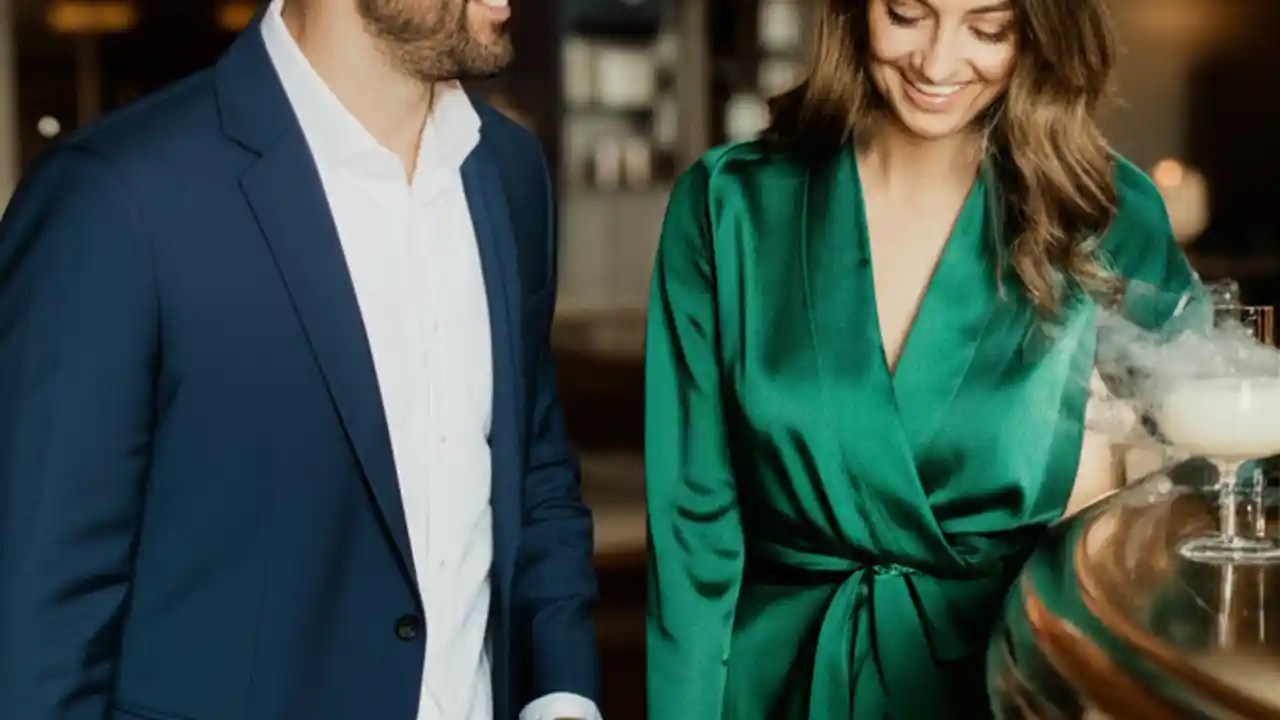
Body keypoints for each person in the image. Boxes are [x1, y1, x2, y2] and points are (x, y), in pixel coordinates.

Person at [0, 1, 601, 719]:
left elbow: (533, 470)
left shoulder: (508, 172)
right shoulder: (112, 200)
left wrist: (561, 696)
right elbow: (38, 629)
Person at [644, 0, 1201, 717]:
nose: (937, 63)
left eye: (988, 29)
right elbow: (692, 529)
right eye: (907, 14)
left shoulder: (1104, 212)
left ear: (1038, 32)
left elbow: (1220, 464)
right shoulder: (730, 205)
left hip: (1008, 685)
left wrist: (1113, 488)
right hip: (771, 687)